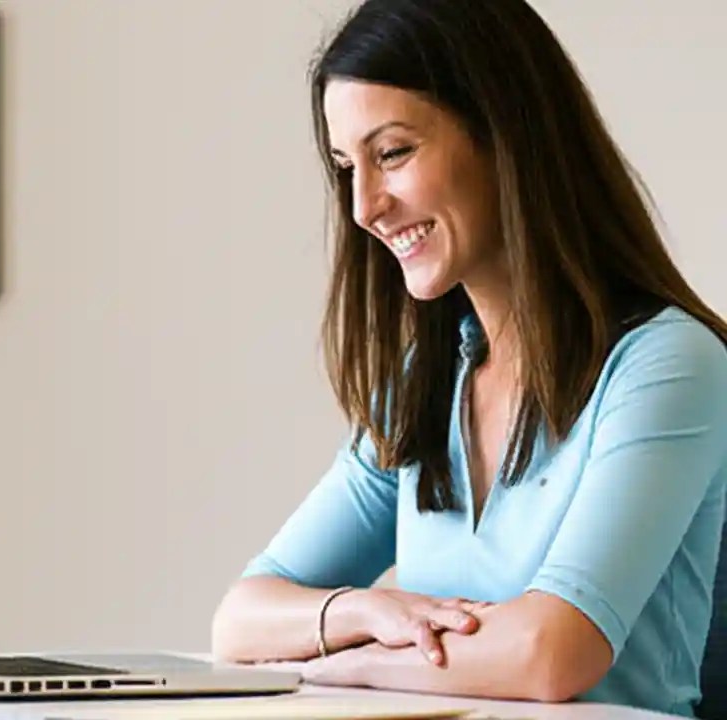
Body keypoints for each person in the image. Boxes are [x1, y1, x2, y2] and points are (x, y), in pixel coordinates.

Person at [209, 0, 727, 716]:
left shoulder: (668, 365)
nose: (364, 207)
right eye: (344, 166)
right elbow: (240, 620)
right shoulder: (425, 387)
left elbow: (553, 654)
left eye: (391, 153)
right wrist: (365, 612)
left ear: (504, 133)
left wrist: (341, 662)